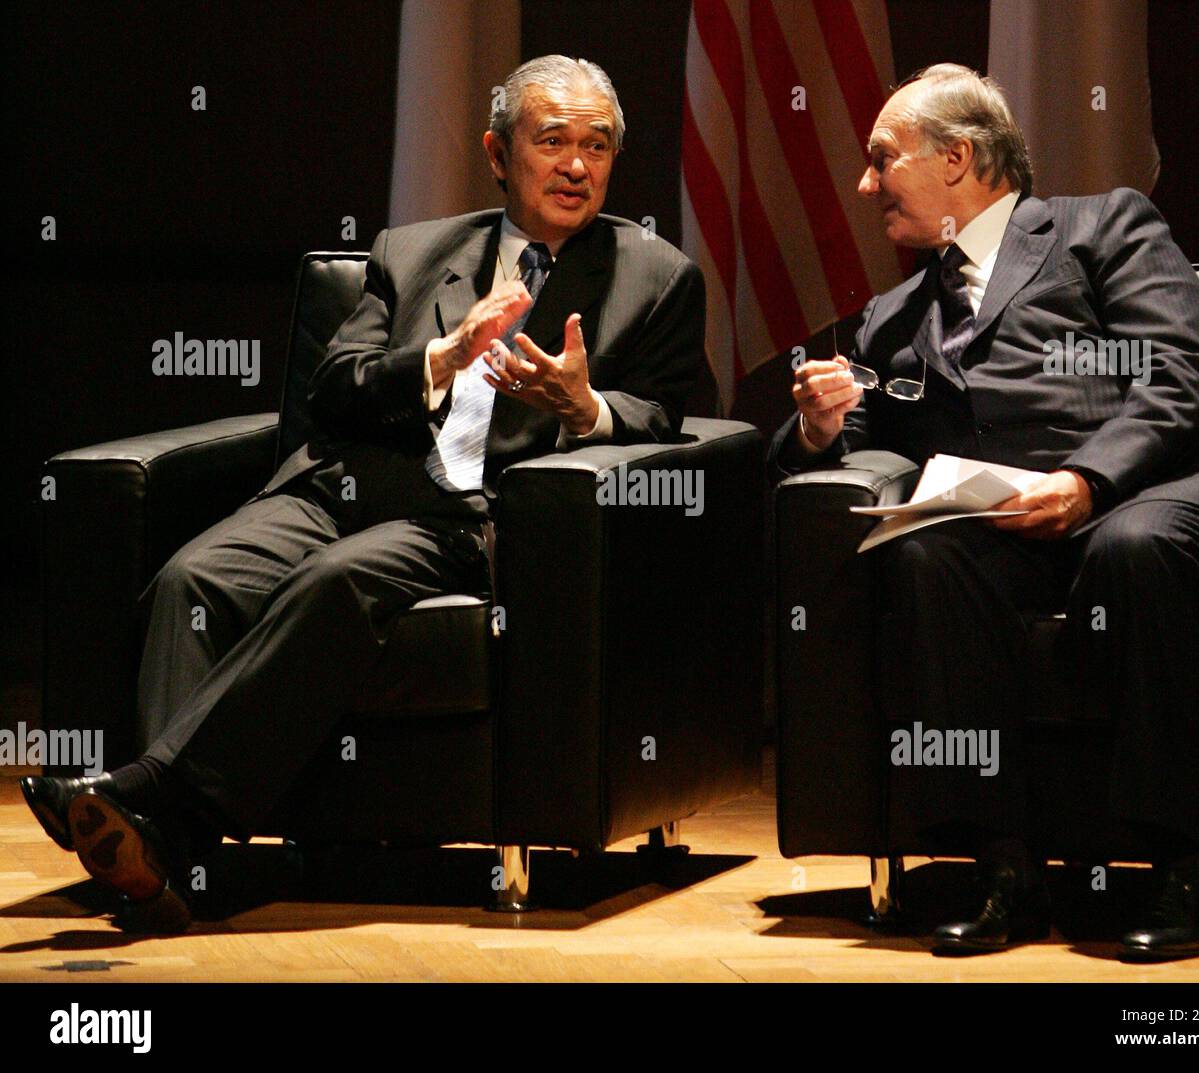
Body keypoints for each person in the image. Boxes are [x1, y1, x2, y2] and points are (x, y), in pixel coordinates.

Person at [23, 55, 705, 932]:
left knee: (338, 580)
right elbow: (333, 388)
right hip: (335, 488)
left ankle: (151, 803)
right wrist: (444, 355)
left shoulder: (655, 276)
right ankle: (169, 862)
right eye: (553, 142)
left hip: (474, 512)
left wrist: (586, 407)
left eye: (597, 146)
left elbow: (665, 423)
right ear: (499, 155)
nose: (577, 165)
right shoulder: (412, 251)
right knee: (194, 577)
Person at [771, 64, 1199, 960]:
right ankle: (1003, 866)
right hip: (1007, 527)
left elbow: (1181, 373)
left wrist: (1085, 482)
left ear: (956, 159)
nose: (865, 184)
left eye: (883, 159)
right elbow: (841, 438)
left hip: (1145, 497)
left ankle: (1179, 868)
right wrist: (815, 423)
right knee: (926, 555)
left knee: (1134, 551)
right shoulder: (892, 317)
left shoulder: (1102, 225)